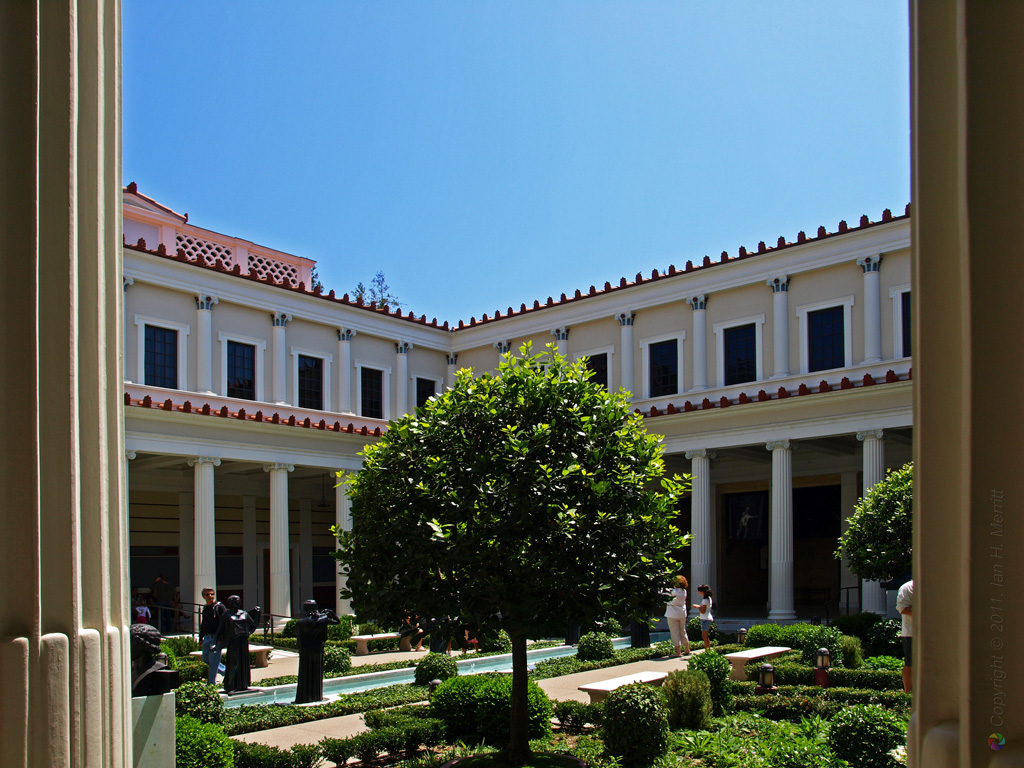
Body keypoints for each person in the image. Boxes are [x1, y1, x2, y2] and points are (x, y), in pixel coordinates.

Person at [294, 599, 341, 704]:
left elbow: (298, 635)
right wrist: (331, 613)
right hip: (317, 650)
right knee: (316, 672)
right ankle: (316, 696)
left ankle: (304, 697)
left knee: (305, 673)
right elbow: (337, 622)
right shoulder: (323, 619)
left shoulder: (301, 622)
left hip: (306, 651)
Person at [216, 595, 261, 694]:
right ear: (230, 603)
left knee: (243, 663)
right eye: (236, 601)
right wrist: (216, 644)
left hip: (243, 641)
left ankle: (243, 685)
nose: (239, 603)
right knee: (233, 663)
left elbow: (253, 625)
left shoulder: (244, 614)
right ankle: (230, 686)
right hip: (233, 642)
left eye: (239, 601)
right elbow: (220, 630)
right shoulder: (226, 615)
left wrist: (257, 614)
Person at [198, 587, 226, 685]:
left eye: (212, 594)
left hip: (216, 638)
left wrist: (221, 637)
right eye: (207, 594)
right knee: (206, 659)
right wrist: (200, 637)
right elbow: (203, 624)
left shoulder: (219, 607)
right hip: (206, 637)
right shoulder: (205, 608)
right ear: (203, 596)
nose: (210, 596)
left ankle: (211, 684)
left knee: (213, 662)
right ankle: (228, 672)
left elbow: (225, 622)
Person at [665, 573, 691, 657]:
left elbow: (662, 592)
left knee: (674, 632)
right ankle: (687, 649)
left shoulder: (673, 592)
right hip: (682, 613)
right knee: (683, 631)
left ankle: (678, 652)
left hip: (672, 614)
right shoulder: (684, 591)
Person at [896, 578, 913, 692]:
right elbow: (902, 608)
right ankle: (907, 693)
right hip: (912, 634)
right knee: (910, 664)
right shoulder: (907, 587)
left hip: (933, 633)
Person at [692, 584, 714, 651]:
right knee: (705, 636)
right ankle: (708, 650)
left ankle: (707, 650)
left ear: (702, 591)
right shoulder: (709, 598)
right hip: (707, 618)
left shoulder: (705, 600)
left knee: (704, 636)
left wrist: (697, 607)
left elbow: (703, 611)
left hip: (705, 619)